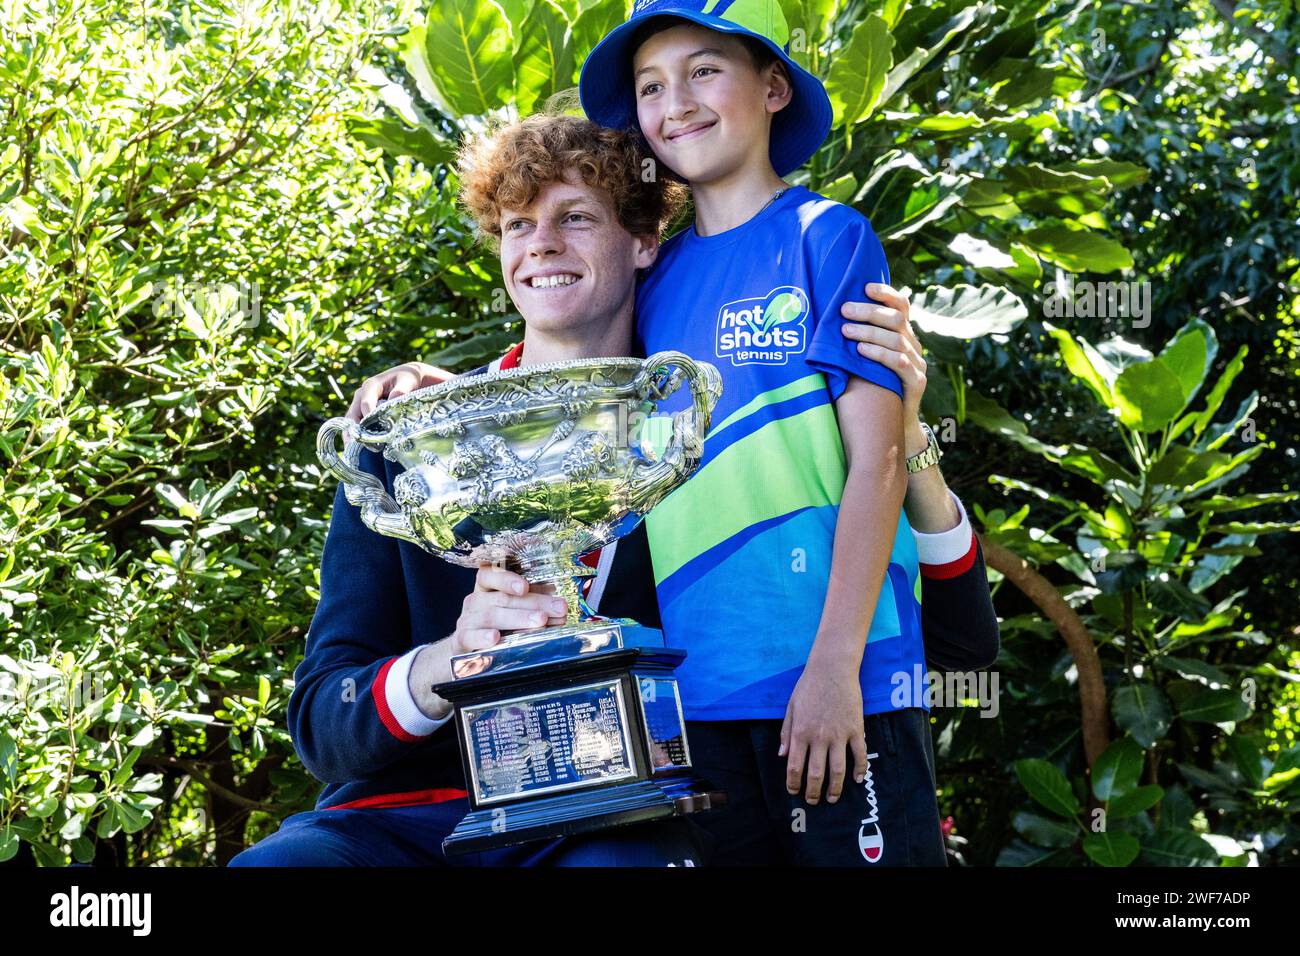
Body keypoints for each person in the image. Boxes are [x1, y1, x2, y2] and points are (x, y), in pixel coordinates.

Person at [342, 18, 1001, 861]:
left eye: (702, 72)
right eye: (652, 86)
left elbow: (884, 474)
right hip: (706, 704)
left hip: (847, 680)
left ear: (773, 88)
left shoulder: (827, 237)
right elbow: (569, 350)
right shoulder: (661, 302)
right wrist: (453, 399)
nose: (675, 104)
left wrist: (839, 659)